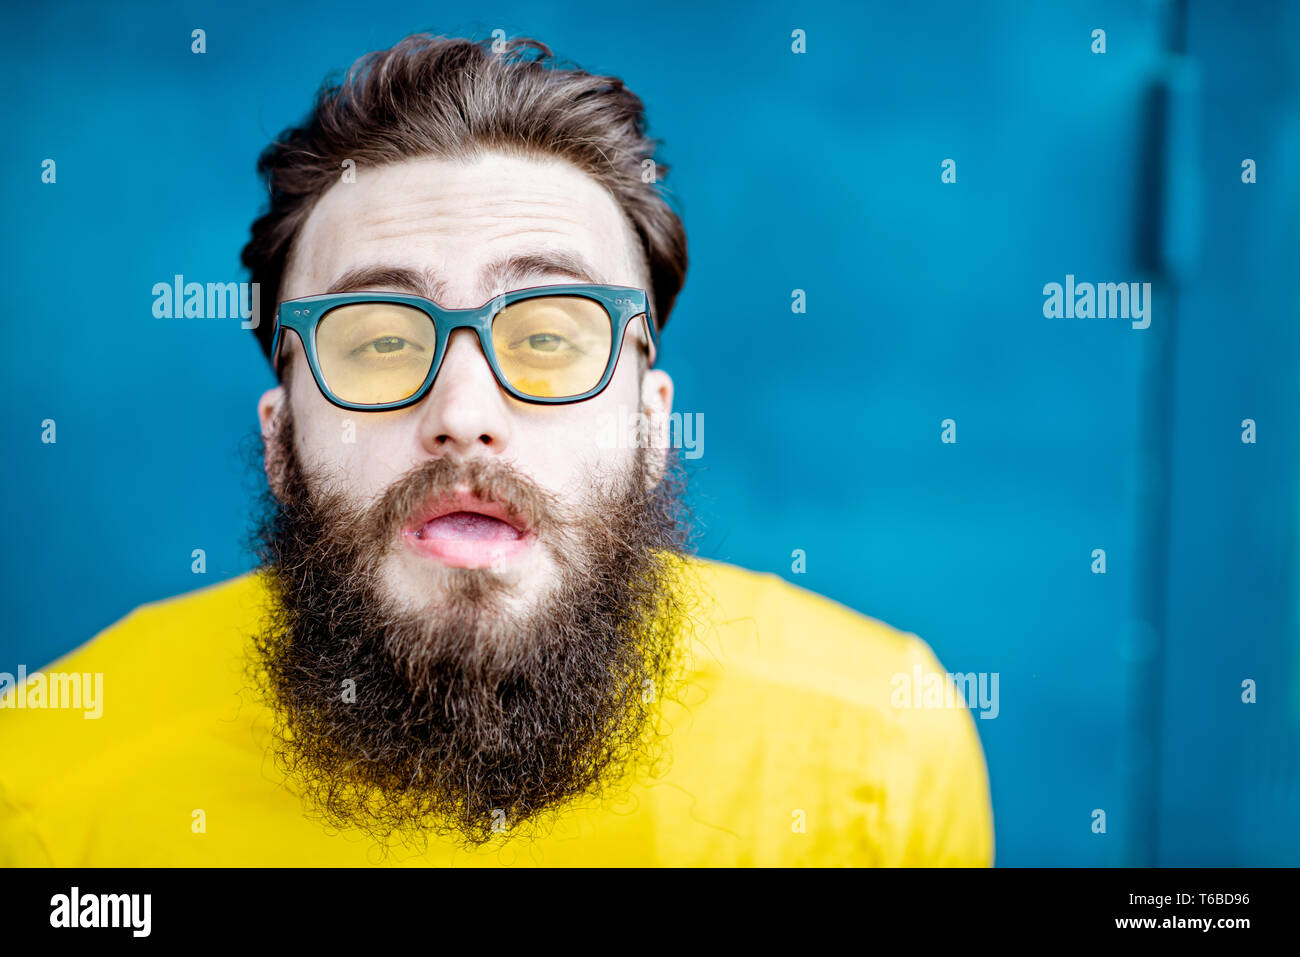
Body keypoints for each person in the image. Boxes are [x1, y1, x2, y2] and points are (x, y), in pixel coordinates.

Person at [0, 33, 993, 866]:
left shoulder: (875, 749)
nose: (462, 412)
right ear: (278, 438)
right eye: (380, 342)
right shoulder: (48, 781)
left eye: (550, 336)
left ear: (653, 424)